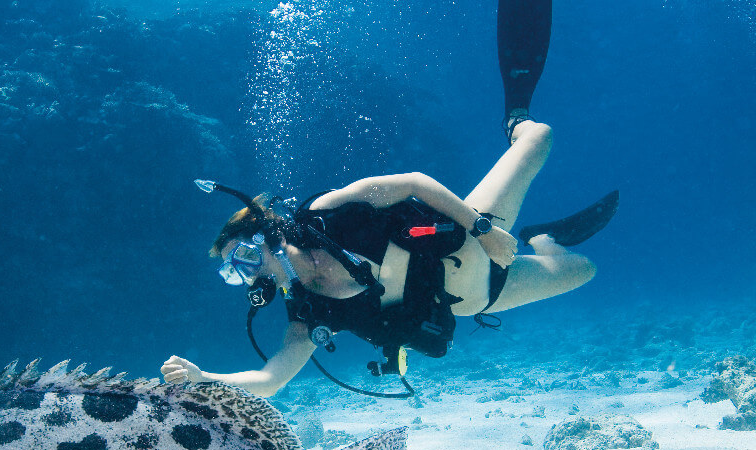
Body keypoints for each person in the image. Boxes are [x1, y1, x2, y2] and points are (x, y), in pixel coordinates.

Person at [161, 0, 616, 397]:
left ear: (268, 235)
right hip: (478, 297)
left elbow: (413, 183)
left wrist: (484, 231)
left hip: (475, 236)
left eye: (243, 257)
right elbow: (271, 379)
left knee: (539, 137)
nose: (247, 276)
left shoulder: (330, 215)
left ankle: (515, 116)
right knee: (586, 270)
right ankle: (543, 239)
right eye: (232, 273)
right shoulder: (308, 312)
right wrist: (205, 377)